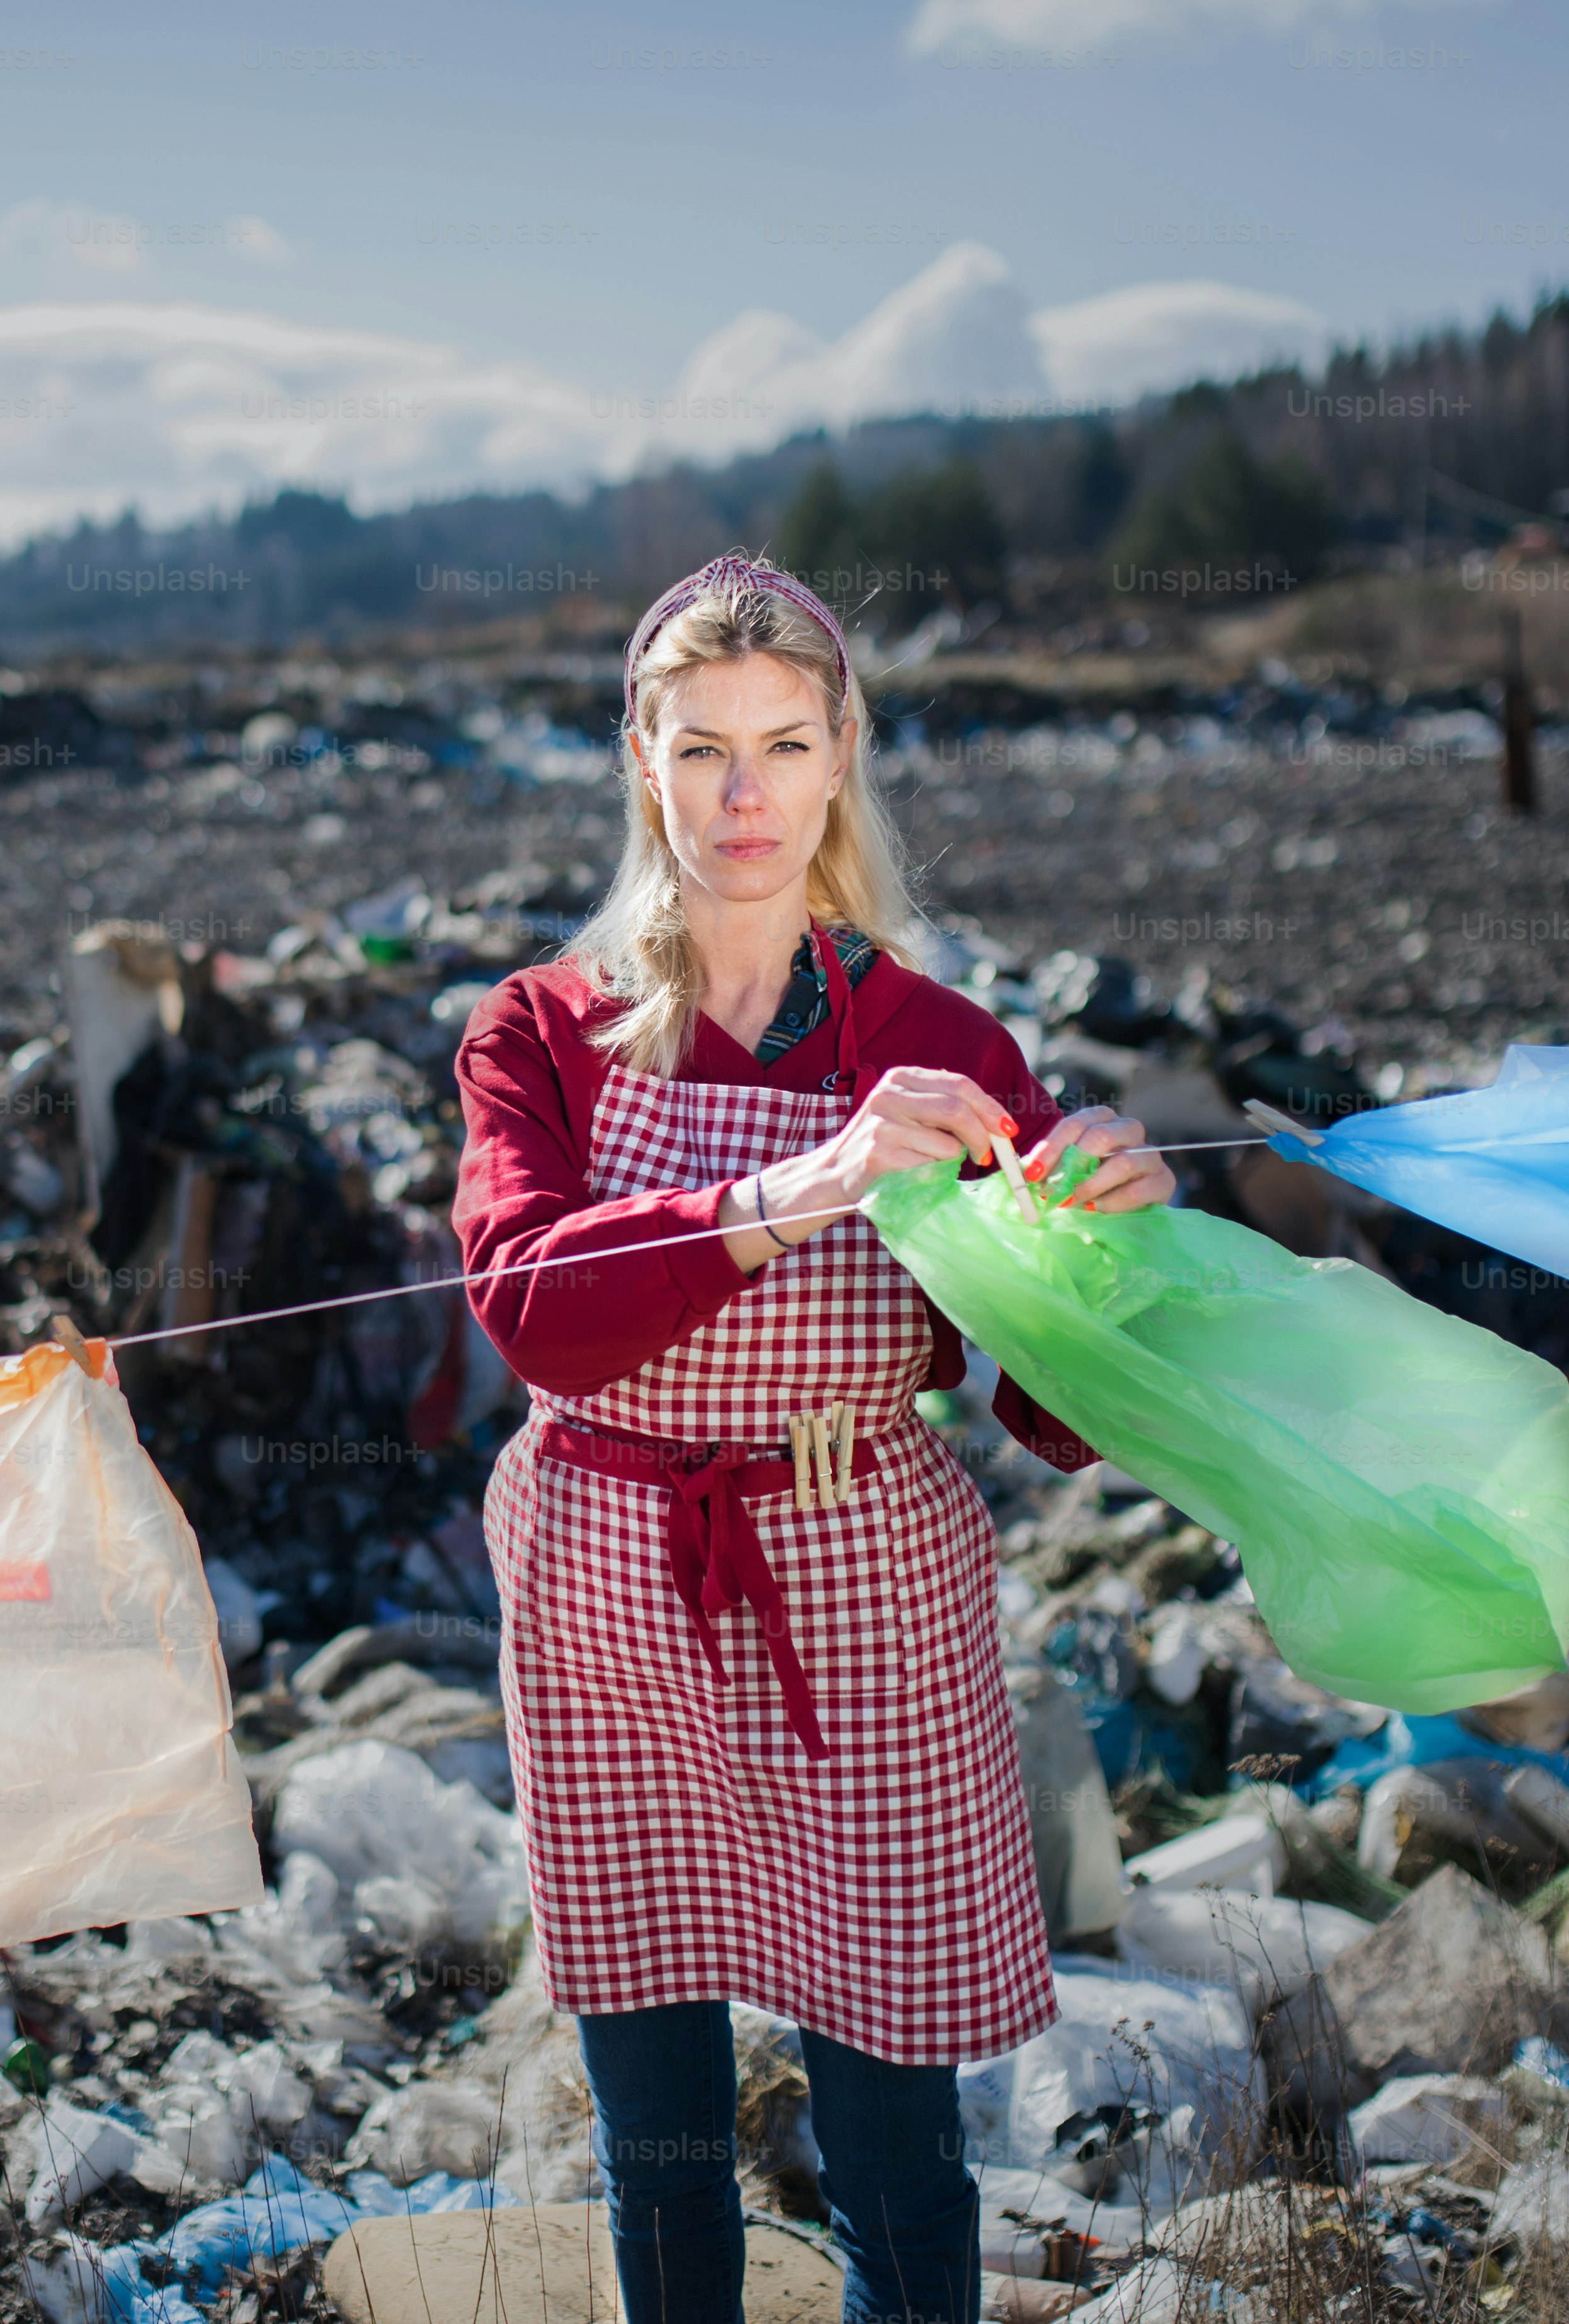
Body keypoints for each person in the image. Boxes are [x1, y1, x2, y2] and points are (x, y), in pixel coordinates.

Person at [451, 553, 1178, 2324]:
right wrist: (807, 1181)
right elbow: (535, 1304)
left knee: (890, 2125)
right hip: (612, 1587)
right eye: (702, 748)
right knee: (666, 2133)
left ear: (844, 750)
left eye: (783, 743)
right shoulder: (539, 1032)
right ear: (641, 754)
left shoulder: (938, 1045)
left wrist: (1114, 1257)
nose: (745, 793)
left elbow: (1046, 1416)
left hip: (864, 1583)